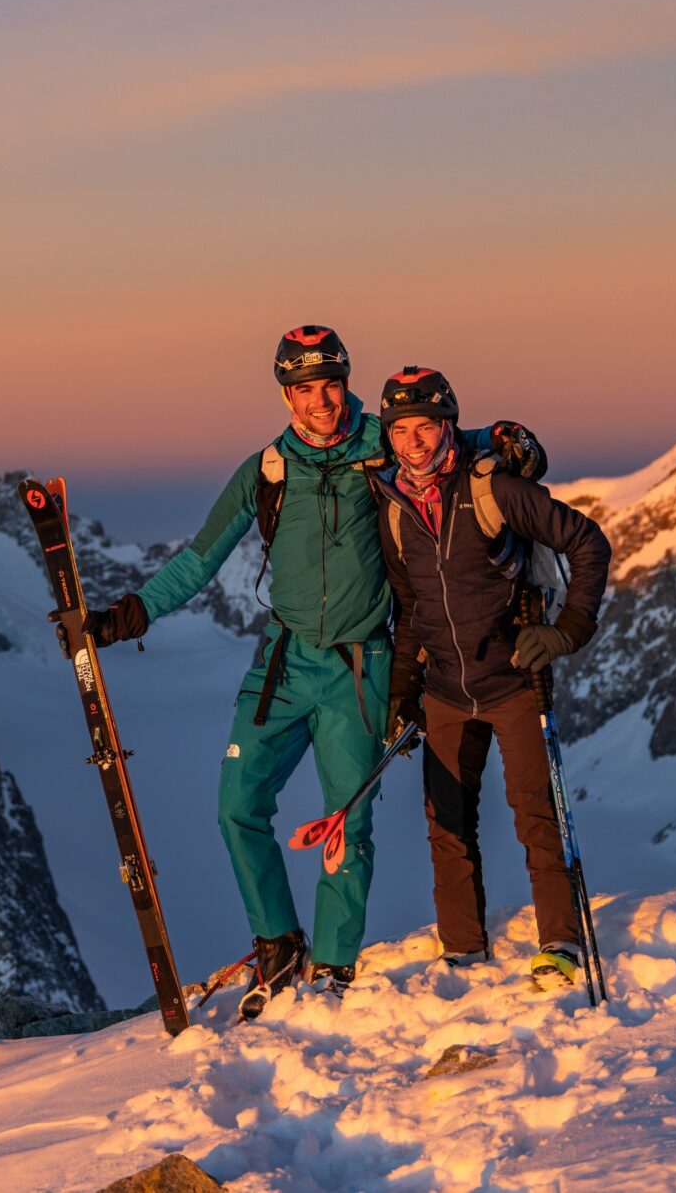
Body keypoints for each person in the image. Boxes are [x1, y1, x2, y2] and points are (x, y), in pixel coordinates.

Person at [85, 327, 547, 1018]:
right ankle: (277, 942)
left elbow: (445, 436)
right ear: (286, 395)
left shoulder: (380, 443)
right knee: (236, 806)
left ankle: (332, 965)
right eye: (306, 389)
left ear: (346, 382)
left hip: (362, 664)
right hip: (284, 659)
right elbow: (200, 558)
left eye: (331, 384)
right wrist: (132, 614)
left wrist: (510, 441)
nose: (322, 400)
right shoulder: (265, 471)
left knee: (345, 825)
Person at [367, 366, 612, 989]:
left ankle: (559, 943)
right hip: (445, 691)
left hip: (511, 684)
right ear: (389, 436)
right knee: (446, 825)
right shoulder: (393, 508)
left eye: (427, 426)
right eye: (402, 430)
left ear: (450, 426)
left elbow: (587, 542)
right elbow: (412, 612)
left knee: (535, 814)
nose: (416, 442)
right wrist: (402, 693)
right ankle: (463, 952)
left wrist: (568, 631)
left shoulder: (493, 489)